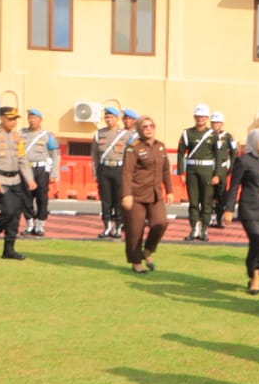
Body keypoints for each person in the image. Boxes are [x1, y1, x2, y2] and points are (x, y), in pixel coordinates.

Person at [0, 107, 37, 259]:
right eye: (10, 119)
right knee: (8, 211)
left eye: (15, 119)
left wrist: (29, 178)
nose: (13, 122)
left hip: (15, 179)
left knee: (16, 213)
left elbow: (22, 159)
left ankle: (9, 249)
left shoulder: (17, 137)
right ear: (2, 118)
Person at [121, 115, 174, 274]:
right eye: (145, 126)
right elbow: (127, 172)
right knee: (135, 231)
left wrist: (170, 190)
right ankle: (136, 262)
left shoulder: (160, 147)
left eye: (151, 125)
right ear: (139, 129)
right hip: (136, 195)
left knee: (161, 223)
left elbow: (165, 170)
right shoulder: (133, 148)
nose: (149, 129)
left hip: (155, 194)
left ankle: (148, 250)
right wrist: (126, 194)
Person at [225, 128, 259, 295]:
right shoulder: (243, 161)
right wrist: (229, 209)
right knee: (257, 240)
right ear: (254, 142)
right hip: (250, 209)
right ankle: (255, 278)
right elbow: (234, 187)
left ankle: (257, 271)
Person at [178, 104, 224, 241]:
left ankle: (204, 230)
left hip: (207, 171)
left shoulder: (213, 135)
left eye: (203, 116)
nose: (201, 119)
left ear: (207, 118)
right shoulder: (187, 133)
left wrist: (217, 174)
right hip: (192, 170)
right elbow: (181, 153)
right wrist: (181, 173)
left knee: (206, 202)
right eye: (198, 116)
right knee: (193, 201)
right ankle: (194, 229)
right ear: (194, 117)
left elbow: (219, 156)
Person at [92, 107, 132, 239]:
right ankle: (107, 225)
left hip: (119, 169)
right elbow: (95, 156)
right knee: (105, 200)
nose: (109, 120)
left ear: (117, 118)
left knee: (118, 200)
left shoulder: (126, 135)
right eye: (107, 117)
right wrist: (95, 172)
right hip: (104, 169)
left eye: (112, 117)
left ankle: (118, 226)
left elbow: (131, 156)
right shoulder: (99, 134)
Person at [20, 109, 59, 237]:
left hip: (41, 169)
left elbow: (55, 154)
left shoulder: (47, 135)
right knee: (26, 198)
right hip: (26, 170)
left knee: (42, 197)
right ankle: (29, 224)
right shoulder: (21, 134)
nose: (32, 120)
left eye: (34, 118)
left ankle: (40, 225)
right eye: (30, 118)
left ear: (40, 120)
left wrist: (54, 173)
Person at [209, 111, 238, 230]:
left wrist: (232, 167)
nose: (215, 124)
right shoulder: (207, 135)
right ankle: (208, 218)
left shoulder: (227, 136)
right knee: (208, 195)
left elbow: (234, 152)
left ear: (222, 123)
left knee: (221, 195)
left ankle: (219, 218)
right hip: (208, 168)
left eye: (218, 122)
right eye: (213, 122)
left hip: (222, 169)